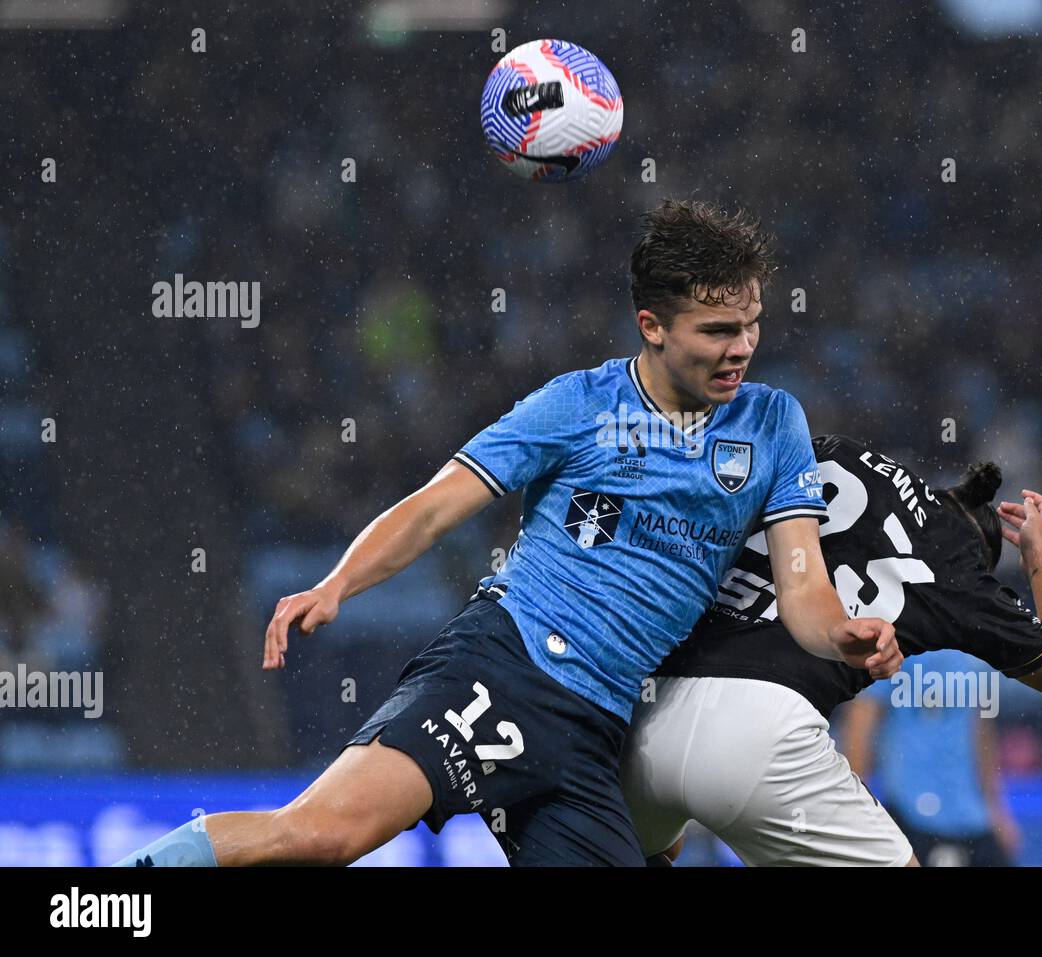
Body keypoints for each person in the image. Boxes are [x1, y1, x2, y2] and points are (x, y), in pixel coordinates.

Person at [112, 200, 901, 867]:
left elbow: (805, 589)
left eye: (753, 324)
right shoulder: (577, 406)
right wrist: (338, 583)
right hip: (508, 665)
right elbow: (433, 505)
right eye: (718, 329)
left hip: (597, 731)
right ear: (652, 325)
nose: (742, 347)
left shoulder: (773, 421)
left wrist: (844, 636)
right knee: (318, 835)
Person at [621, 438, 1042, 866]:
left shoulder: (837, 450)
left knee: (657, 849)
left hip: (644, 708)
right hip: (765, 729)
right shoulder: (957, 571)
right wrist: (1039, 554)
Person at [840, 648, 1022, 867]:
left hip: (972, 818)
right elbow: (860, 728)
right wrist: (854, 812)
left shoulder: (974, 649)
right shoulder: (894, 643)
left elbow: (981, 730)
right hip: (911, 813)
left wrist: (997, 810)